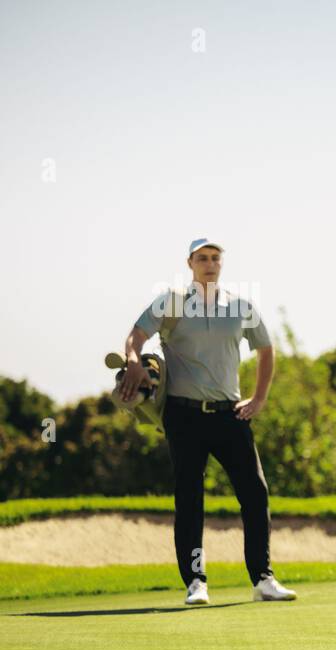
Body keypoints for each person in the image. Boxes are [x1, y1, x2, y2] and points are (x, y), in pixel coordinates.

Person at [119, 238, 297, 606]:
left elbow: (266, 349)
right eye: (203, 258)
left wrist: (260, 398)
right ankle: (196, 582)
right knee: (190, 499)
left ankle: (263, 578)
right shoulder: (170, 302)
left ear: (221, 263)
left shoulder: (240, 305)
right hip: (183, 416)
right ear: (190, 263)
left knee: (254, 493)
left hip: (230, 414)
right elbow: (136, 336)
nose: (210, 264)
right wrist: (134, 360)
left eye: (216, 258)